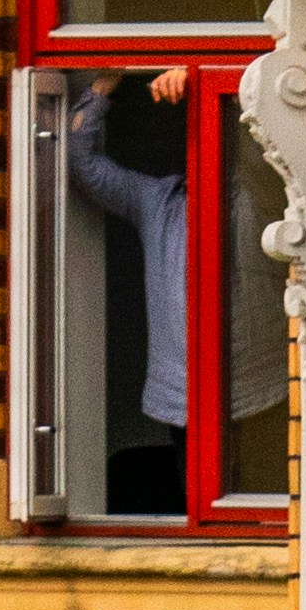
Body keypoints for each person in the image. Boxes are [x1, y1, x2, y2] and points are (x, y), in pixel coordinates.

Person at [69, 61, 195, 429]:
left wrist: (200, 81)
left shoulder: (253, 197)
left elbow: (260, 159)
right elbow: (82, 162)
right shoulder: (159, 202)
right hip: (179, 397)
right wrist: (107, 82)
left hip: (256, 390)